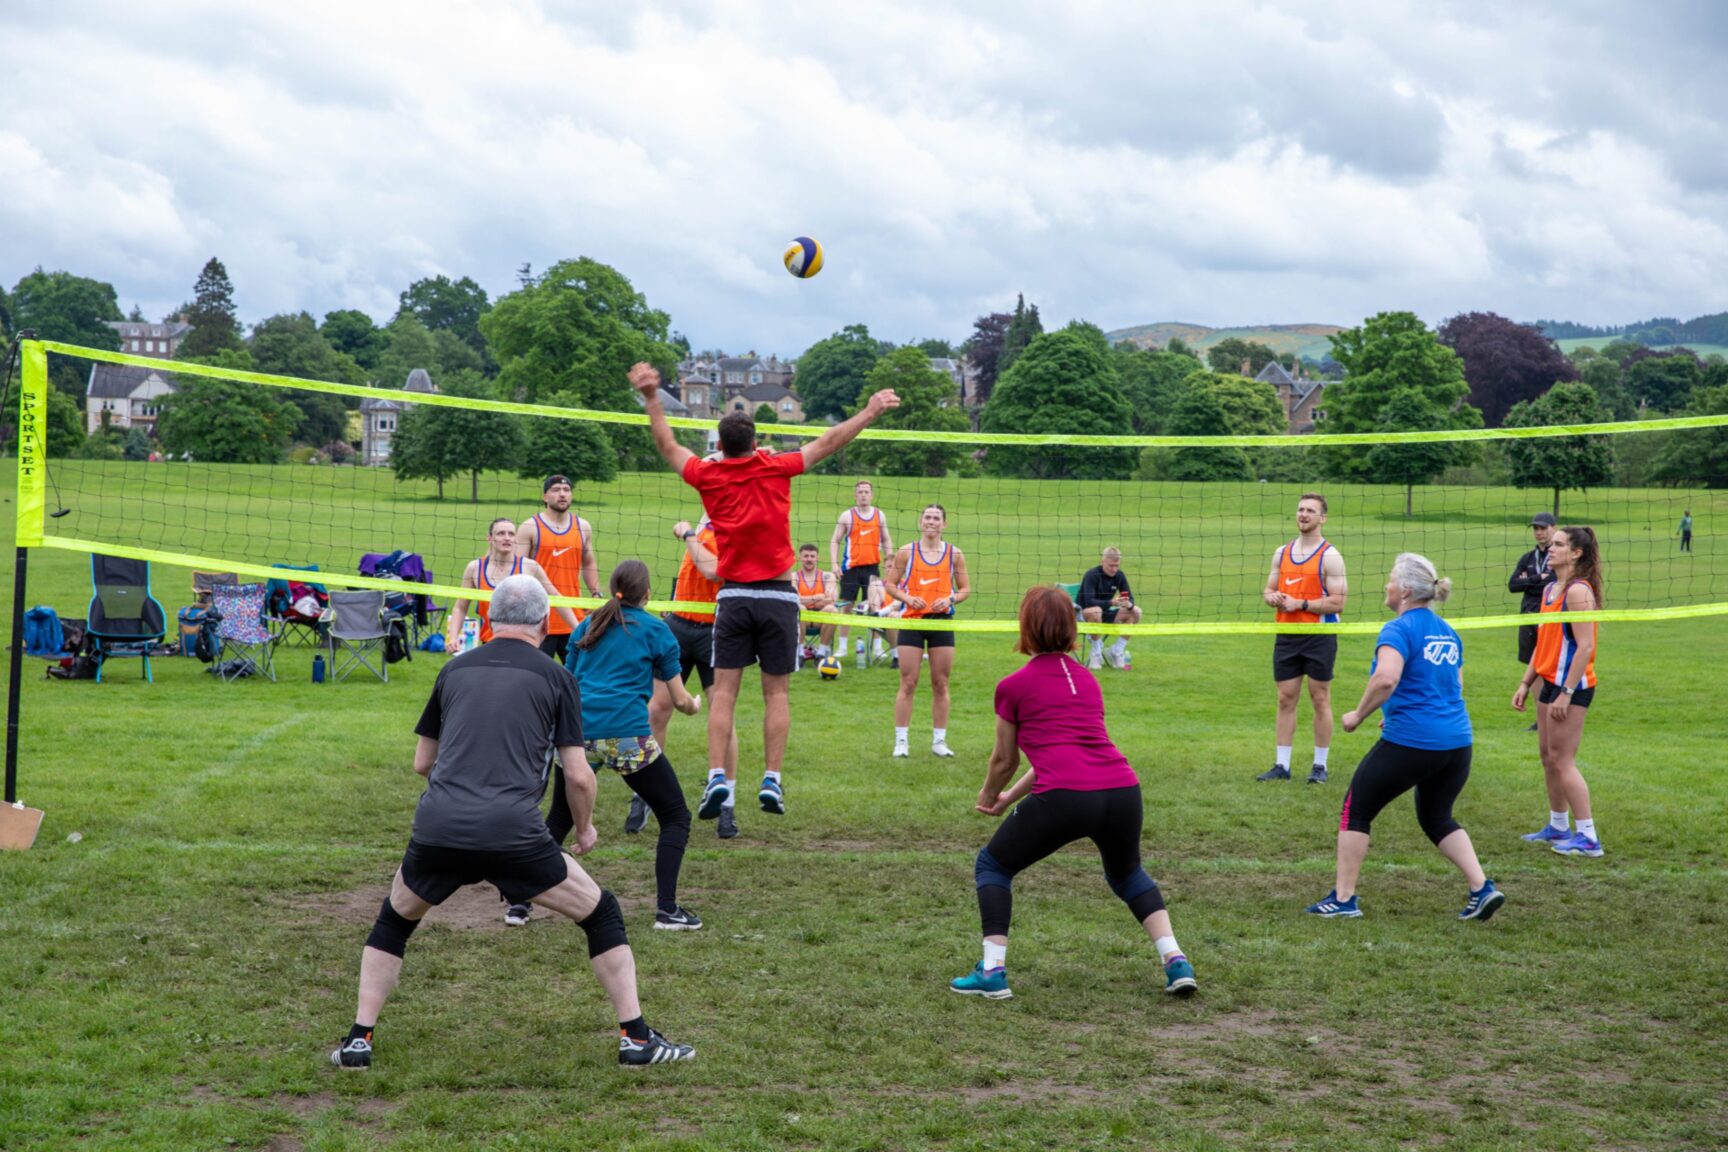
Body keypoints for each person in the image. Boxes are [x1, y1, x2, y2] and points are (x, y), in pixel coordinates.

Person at [329, 575, 694, 1071]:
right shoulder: (556, 676)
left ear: (489, 621)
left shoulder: (454, 671)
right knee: (602, 912)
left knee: (394, 921)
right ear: (544, 624)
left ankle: (358, 1040)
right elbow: (580, 777)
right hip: (514, 833)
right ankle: (636, 1039)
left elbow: (421, 763)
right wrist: (584, 829)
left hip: (440, 827)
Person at [633, 362, 899, 822]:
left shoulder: (708, 476)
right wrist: (871, 411)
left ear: (720, 447)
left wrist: (653, 396)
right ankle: (771, 779)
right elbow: (830, 441)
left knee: (725, 696)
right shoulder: (776, 466)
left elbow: (668, 445)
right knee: (776, 695)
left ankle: (718, 775)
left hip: (732, 598)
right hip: (778, 596)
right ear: (755, 442)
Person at [949, 585, 1198, 1001]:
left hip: (1066, 797)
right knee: (1127, 873)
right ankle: (1176, 960)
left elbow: (1004, 759)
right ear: (1073, 627)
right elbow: (1070, 752)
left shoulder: (1013, 685)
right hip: (1121, 790)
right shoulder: (1087, 679)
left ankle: (992, 971)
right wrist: (1010, 798)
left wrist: (990, 793)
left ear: (1025, 626)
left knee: (992, 865)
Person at [1303, 554, 1504, 922]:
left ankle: (1344, 899)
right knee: (1437, 817)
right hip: (1457, 743)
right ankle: (1482, 888)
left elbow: (1386, 679)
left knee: (1356, 810)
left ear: (1406, 590)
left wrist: (1358, 715)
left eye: (1391, 579)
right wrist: (1394, 712)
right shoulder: (1448, 631)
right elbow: (1451, 685)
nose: (1387, 584)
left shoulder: (1397, 630)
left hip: (1415, 741)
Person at [514, 561, 705, 931]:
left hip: (577, 733)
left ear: (614, 588)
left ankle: (520, 903)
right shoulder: (657, 630)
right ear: (647, 593)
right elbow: (680, 700)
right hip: (626, 735)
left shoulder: (589, 624)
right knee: (676, 816)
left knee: (559, 817)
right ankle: (668, 911)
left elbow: (565, 680)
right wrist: (694, 705)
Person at [647, 517, 741, 839]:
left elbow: (711, 570)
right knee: (657, 710)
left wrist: (687, 533)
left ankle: (726, 802)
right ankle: (646, 793)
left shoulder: (734, 527)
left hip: (716, 629)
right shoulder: (704, 522)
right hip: (679, 624)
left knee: (721, 715)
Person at [1514, 526, 1605, 857]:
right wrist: (1526, 682)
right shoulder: (1551, 588)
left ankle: (1589, 838)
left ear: (1576, 553)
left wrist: (1566, 691)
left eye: (1558, 544)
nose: (1550, 549)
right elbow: (1543, 644)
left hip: (1573, 686)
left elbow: (1585, 647)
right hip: (1549, 683)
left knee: (1563, 761)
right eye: (1550, 544)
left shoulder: (1579, 592)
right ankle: (1557, 826)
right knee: (1548, 759)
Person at [1258, 494, 1348, 785]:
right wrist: (1272, 597)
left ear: (1322, 518)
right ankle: (1281, 765)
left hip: (1319, 634)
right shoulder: (1281, 552)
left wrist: (1302, 605)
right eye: (1300, 509)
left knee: (1319, 697)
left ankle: (1319, 766)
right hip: (1287, 633)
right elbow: (1269, 589)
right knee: (1285, 698)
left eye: (1311, 510)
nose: (1304, 514)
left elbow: (1338, 603)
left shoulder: (1330, 556)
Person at [884, 504, 970, 759]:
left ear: (944, 524)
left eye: (936, 518)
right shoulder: (906, 552)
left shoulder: (955, 554)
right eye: (927, 517)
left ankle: (939, 741)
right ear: (920, 522)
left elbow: (965, 589)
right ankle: (901, 741)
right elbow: (889, 584)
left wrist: (951, 599)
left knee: (940, 683)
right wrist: (907, 598)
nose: (931, 522)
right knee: (908, 682)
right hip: (912, 622)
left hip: (941, 623)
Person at [445, 518, 576, 650]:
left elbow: (557, 598)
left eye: (511, 534)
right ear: (490, 538)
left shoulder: (530, 567)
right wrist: (453, 637)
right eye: (501, 533)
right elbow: (460, 607)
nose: (507, 538)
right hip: (491, 644)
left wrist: (578, 629)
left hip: (526, 646)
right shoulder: (475, 568)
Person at [516, 474, 602, 663]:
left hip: (573, 618)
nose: (562, 494)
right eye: (555, 490)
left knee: (580, 677)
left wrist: (596, 593)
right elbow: (517, 571)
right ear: (545, 497)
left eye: (566, 490)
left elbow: (588, 562)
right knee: (535, 677)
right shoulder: (530, 527)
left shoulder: (583, 527)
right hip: (539, 620)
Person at [830, 481, 893, 663]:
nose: (863, 495)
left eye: (866, 492)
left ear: (871, 495)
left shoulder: (879, 515)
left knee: (875, 607)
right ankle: (842, 647)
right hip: (850, 568)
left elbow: (887, 539)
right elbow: (835, 540)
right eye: (860, 492)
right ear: (855, 495)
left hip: (872, 568)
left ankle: (877, 648)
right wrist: (834, 564)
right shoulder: (847, 516)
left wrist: (891, 560)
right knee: (847, 606)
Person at [1077, 546, 1142, 671]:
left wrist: (1129, 604)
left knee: (1136, 612)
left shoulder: (1119, 576)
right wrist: (1112, 602)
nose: (1114, 569)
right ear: (1102, 562)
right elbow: (1089, 601)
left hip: (1105, 613)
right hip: (1083, 616)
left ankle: (1116, 651)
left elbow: (1131, 599)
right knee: (1096, 611)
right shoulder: (1092, 575)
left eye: (1117, 565)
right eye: (1111, 566)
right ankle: (1095, 653)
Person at [795, 544, 838, 665]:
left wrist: (804, 599)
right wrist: (817, 597)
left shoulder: (828, 576)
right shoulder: (794, 577)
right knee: (799, 608)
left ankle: (821, 653)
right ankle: (800, 654)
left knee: (832, 610)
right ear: (800, 558)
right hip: (802, 618)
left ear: (817, 558)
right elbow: (794, 600)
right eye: (806, 556)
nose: (809, 559)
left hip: (821, 618)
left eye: (812, 556)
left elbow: (832, 600)